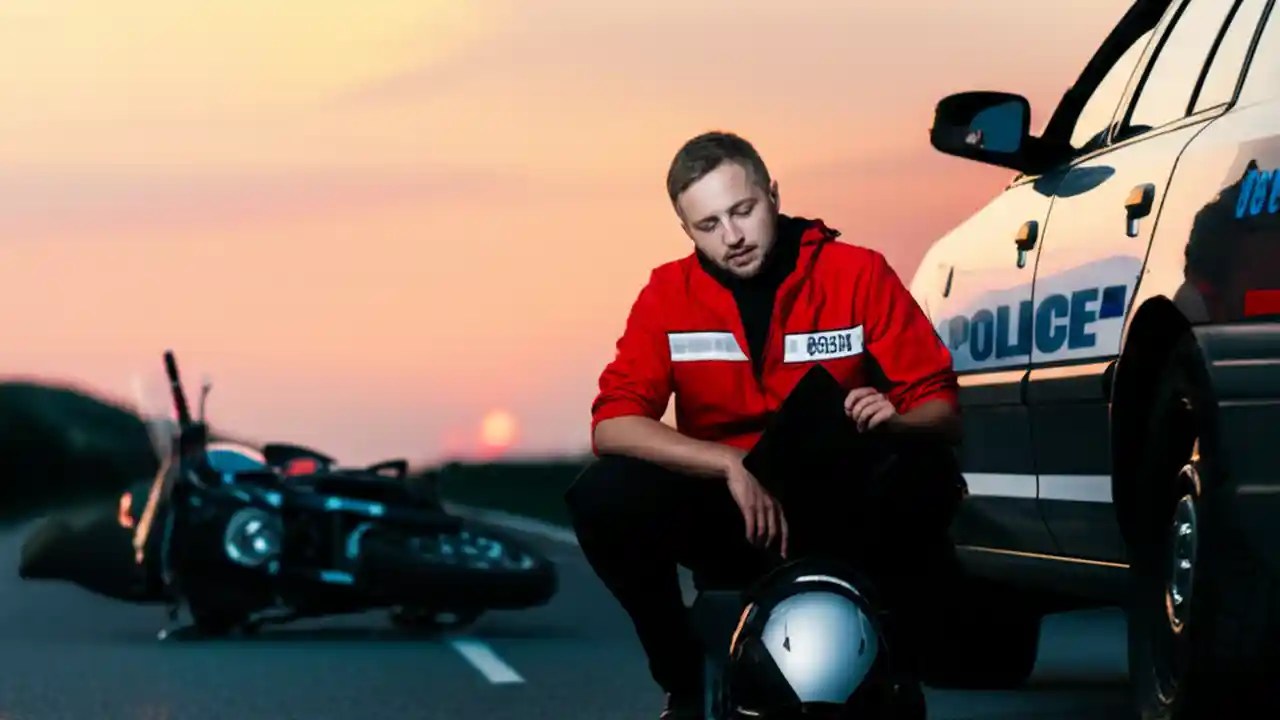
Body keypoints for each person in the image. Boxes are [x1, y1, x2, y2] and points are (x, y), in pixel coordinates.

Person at [564, 130, 962, 719]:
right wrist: (725, 463)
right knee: (600, 495)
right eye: (708, 225)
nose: (732, 237)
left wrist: (898, 420)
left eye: (743, 210)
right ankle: (684, 679)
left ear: (772, 194)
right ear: (686, 230)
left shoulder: (856, 273)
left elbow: (942, 409)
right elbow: (613, 424)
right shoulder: (667, 293)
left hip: (838, 499)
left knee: (929, 473)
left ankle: (897, 667)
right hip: (730, 506)